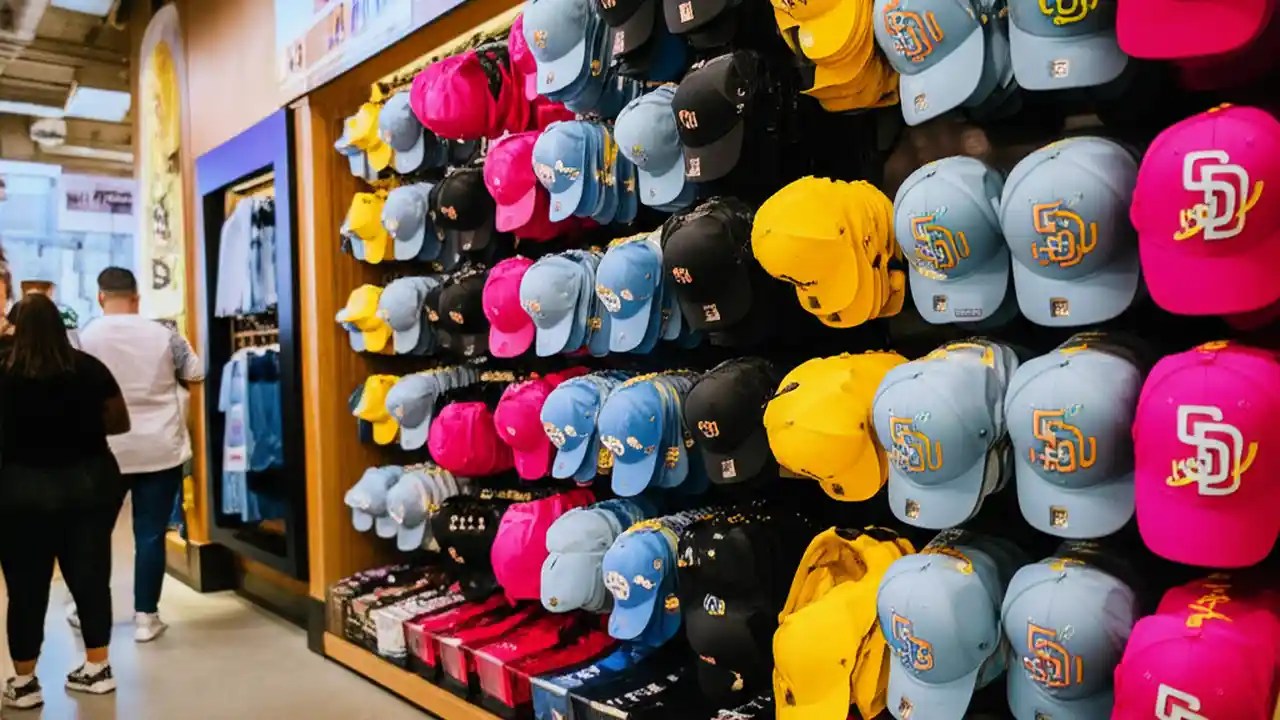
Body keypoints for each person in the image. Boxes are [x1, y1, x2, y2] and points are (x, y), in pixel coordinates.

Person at [0, 294, 130, 709]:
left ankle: (24, 682)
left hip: (19, 492)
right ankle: (98, 668)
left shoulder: (3, 371)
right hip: (88, 487)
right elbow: (119, 422)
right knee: (91, 578)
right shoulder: (89, 368)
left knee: (26, 588)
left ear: (17, 328)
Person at [77, 267, 204, 643]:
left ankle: (81, 608)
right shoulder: (164, 334)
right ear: (136, 298)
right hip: (159, 449)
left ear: (101, 297)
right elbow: (196, 372)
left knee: (93, 534)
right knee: (149, 535)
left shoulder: (84, 336)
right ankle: (146, 617)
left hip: (106, 450)